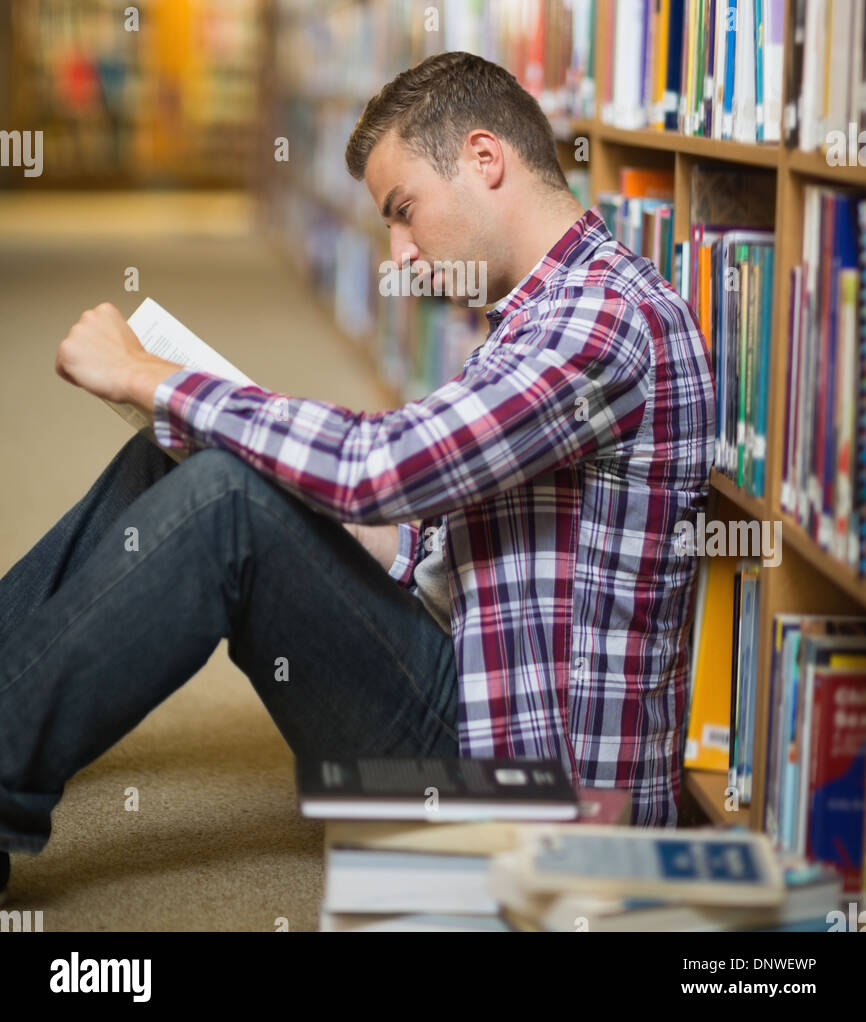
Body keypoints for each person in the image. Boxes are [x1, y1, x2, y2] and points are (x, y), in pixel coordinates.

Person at [0, 51, 715, 903]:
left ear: (486, 160)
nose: (400, 255)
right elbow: (422, 540)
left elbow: (383, 469)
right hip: (469, 685)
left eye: (404, 212)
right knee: (182, 450)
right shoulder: (551, 308)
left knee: (227, 503)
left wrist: (149, 376)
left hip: (531, 798)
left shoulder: (603, 322)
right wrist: (209, 422)